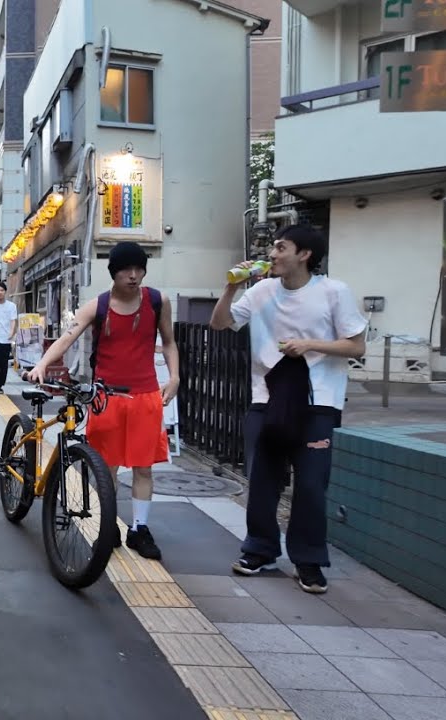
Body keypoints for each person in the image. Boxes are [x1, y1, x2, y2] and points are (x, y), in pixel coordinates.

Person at [211, 224, 366, 594]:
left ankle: (309, 560)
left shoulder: (333, 291)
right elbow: (220, 323)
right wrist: (232, 286)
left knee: (311, 485)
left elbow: (356, 346)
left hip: (318, 403)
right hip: (266, 400)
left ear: (305, 254)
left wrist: (309, 344)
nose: (273, 254)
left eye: (281, 248)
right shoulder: (262, 290)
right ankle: (260, 550)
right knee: (262, 481)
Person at [26, 241, 178, 561]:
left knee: (143, 467)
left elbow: (169, 342)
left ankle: (139, 529)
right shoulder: (98, 306)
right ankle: (109, 526)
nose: (134, 276)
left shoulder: (157, 301)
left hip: (146, 395)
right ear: (113, 273)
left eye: (139, 269)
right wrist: (41, 364)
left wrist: (174, 377)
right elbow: (68, 337)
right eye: (127, 270)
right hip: (106, 398)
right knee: (106, 468)